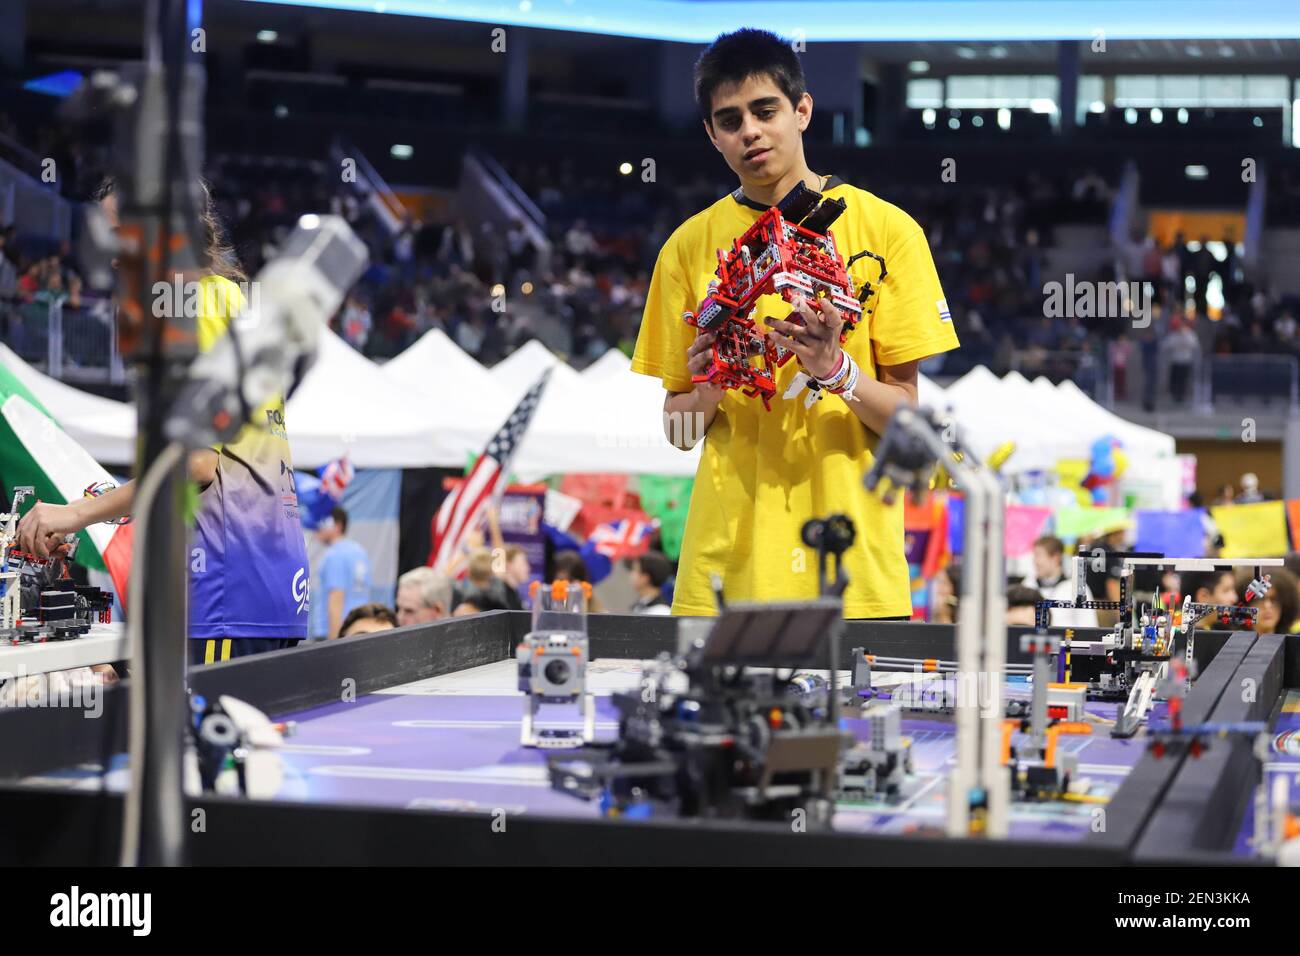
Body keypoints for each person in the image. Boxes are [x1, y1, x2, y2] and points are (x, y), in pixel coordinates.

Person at [630, 30, 959, 618]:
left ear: (802, 110)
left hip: (853, 574)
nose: (750, 132)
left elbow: (913, 429)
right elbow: (679, 433)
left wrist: (837, 371)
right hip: (725, 579)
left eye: (765, 110)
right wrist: (709, 387)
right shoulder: (686, 249)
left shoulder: (888, 232)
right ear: (711, 135)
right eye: (729, 120)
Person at [15, 177, 311, 664]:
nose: (111, 256)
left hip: (223, 593)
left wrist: (75, 513)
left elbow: (195, 465)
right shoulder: (234, 300)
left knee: (190, 739)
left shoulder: (183, 308)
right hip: (268, 590)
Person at [312, 506, 374, 640]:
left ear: (338, 526)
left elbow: (336, 598)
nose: (316, 526)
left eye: (322, 522)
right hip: (359, 629)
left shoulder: (334, 555)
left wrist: (333, 643)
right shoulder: (360, 551)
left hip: (336, 633)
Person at [1021, 536, 1098, 628]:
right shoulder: (1027, 585)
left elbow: (1089, 627)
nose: (1035, 561)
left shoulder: (1077, 588)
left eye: (1038, 555)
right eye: (1034, 556)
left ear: (1055, 557)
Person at [1248, 568, 1298, 635]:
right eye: (1260, 599)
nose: (1267, 606)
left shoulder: (1293, 643)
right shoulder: (1233, 642)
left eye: (1274, 600)